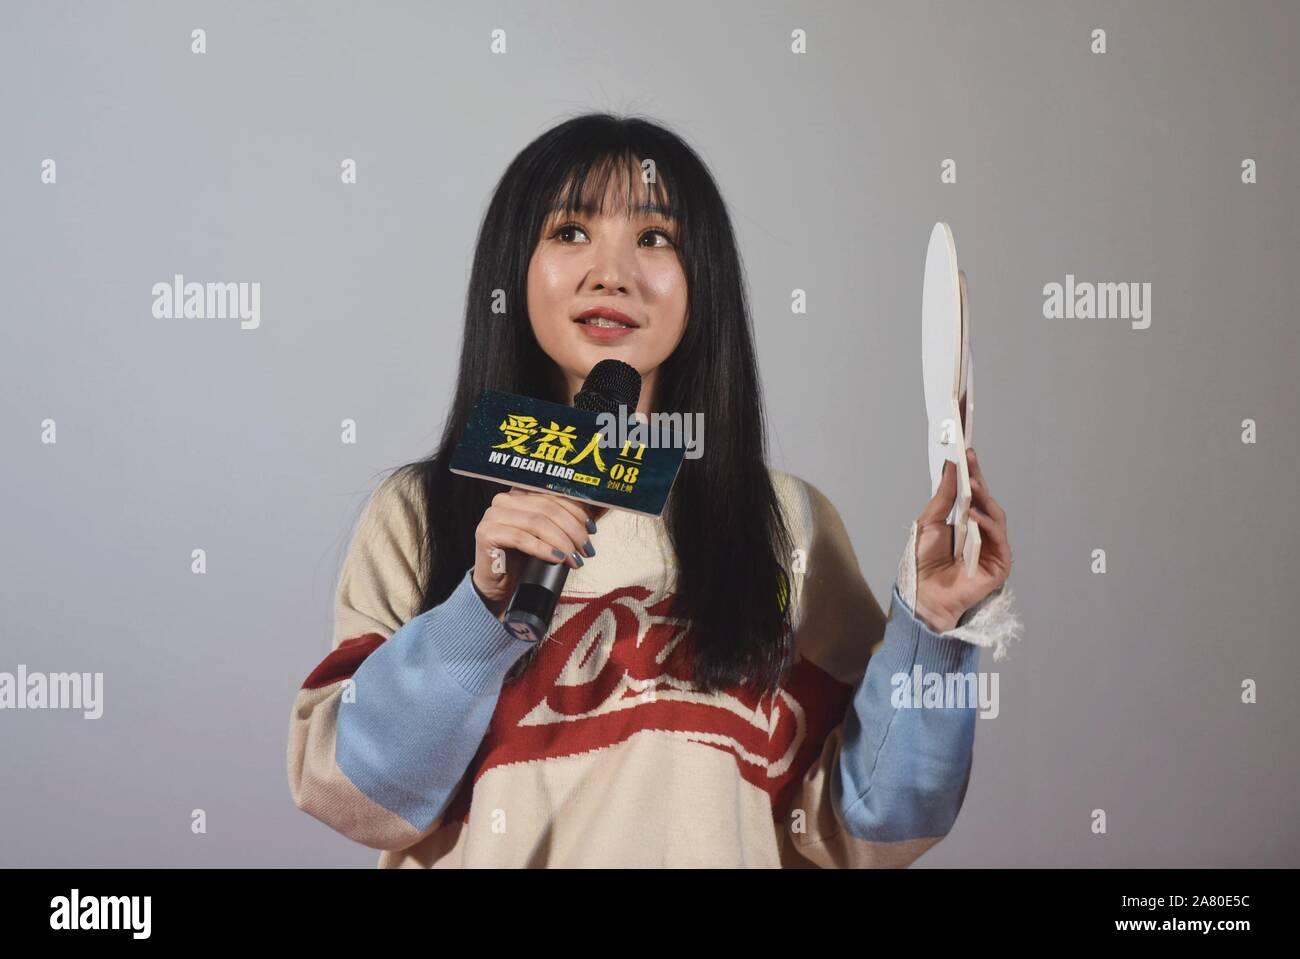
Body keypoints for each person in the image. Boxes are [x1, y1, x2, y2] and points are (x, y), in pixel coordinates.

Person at [286, 113, 1019, 868]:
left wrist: (932, 629)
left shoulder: (785, 524)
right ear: (513, 269)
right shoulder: (423, 511)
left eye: (655, 237)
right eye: (570, 230)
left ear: (704, 280)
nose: (613, 272)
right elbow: (353, 794)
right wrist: (478, 612)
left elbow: (868, 826)